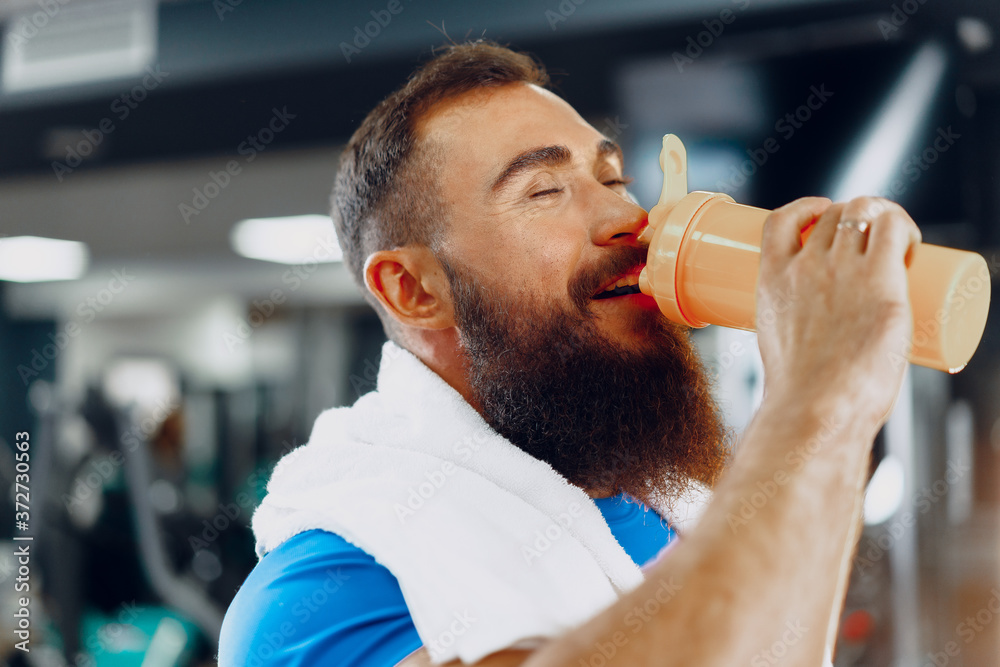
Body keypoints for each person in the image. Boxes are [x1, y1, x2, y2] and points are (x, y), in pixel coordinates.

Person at [219, 41, 920, 666]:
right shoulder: (320, 601)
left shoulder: (670, 505)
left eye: (613, 180)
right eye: (544, 190)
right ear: (412, 289)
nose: (627, 217)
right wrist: (819, 398)